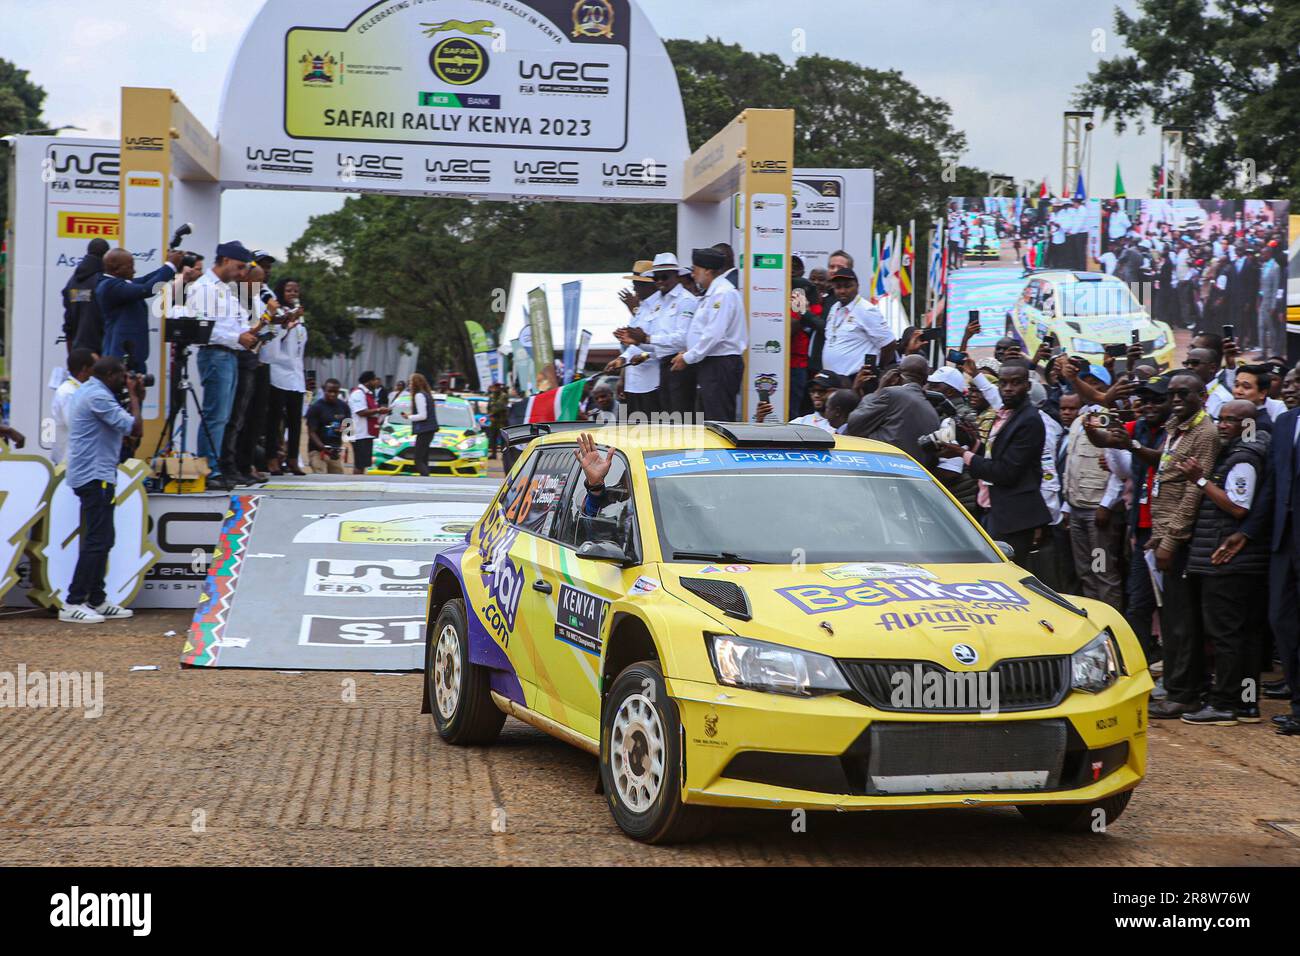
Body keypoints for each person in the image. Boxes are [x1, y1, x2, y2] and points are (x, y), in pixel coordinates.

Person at [1217, 367, 1300, 735]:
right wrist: (1247, 533)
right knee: (1283, 622)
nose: (1291, 389)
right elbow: (1271, 486)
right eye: (1292, 383)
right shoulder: (1285, 424)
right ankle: (1298, 709)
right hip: (1284, 543)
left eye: (1297, 384)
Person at [1180, 400, 1270, 726]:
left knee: (1227, 634)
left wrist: (1200, 481)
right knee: (1243, 634)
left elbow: (1237, 508)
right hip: (1237, 560)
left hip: (1228, 561)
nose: (1223, 425)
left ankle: (1224, 704)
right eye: (1221, 419)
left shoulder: (1244, 457)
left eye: (1233, 420)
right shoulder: (1236, 452)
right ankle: (1246, 704)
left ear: (1249, 424)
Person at [1144, 373, 1220, 718]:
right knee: (1172, 614)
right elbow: (1166, 474)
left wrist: (1171, 540)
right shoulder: (1176, 425)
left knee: (1182, 619)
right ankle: (1176, 686)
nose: (1175, 399)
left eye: (1183, 393)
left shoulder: (1205, 432)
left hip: (1183, 540)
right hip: (1164, 532)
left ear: (1202, 396)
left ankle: (1185, 693)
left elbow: (1193, 490)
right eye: (1171, 393)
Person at [936, 365, 1051, 562]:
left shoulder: (1029, 420)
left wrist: (963, 454)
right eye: (1004, 383)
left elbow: (1005, 472)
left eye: (1015, 383)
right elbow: (993, 459)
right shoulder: (1007, 415)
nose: (1008, 388)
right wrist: (973, 444)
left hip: (1013, 517)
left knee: (1007, 579)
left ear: (1028, 385)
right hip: (992, 510)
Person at [59, 356, 144, 624]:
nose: (124, 380)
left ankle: (96, 598)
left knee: (104, 539)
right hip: (95, 476)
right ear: (109, 375)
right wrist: (135, 396)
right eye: (122, 376)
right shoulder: (98, 396)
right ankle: (73, 602)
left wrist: (132, 395)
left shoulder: (92, 391)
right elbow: (135, 428)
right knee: (97, 540)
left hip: (96, 474)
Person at [187, 241, 260, 488]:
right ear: (225, 260)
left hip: (230, 355)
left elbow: (235, 325)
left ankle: (217, 467)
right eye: (239, 267)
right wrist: (237, 338)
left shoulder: (226, 290)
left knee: (224, 416)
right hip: (215, 354)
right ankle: (209, 470)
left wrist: (248, 336)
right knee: (215, 416)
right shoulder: (204, 288)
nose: (241, 274)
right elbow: (202, 328)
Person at [617, 254, 699, 418]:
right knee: (666, 425)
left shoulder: (686, 300)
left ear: (676, 275)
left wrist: (646, 339)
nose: (660, 281)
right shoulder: (660, 302)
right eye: (656, 277)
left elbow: (682, 339)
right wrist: (636, 343)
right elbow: (653, 339)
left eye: (664, 276)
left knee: (680, 421)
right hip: (663, 365)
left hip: (680, 364)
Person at [671, 248, 745, 421]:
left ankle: (723, 450)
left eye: (695, 270)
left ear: (708, 271)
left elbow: (714, 333)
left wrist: (688, 357)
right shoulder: (713, 293)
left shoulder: (723, 293)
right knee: (708, 419)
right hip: (711, 363)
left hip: (721, 364)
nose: (693, 275)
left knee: (719, 419)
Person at [844, 354, 941, 468]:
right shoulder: (933, 414)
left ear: (896, 374)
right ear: (925, 380)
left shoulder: (890, 394)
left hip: (877, 469)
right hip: (912, 478)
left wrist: (879, 390)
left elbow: (854, 424)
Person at [96, 247, 184, 372]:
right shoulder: (109, 286)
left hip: (131, 358)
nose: (134, 270)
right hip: (120, 361)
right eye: (130, 266)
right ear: (116, 268)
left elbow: (146, 280)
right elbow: (147, 289)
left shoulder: (118, 283)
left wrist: (172, 266)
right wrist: (170, 266)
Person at [819, 269, 893, 386]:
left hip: (855, 380)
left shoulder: (866, 310)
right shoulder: (834, 308)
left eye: (848, 286)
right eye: (838, 287)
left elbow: (889, 344)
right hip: (833, 381)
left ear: (857, 286)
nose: (842, 291)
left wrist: (878, 368)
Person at [265, 278, 308, 474]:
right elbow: (273, 339)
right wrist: (286, 324)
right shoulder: (279, 313)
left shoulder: (299, 316)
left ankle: (293, 459)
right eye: (289, 290)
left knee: (295, 421)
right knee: (275, 420)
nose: (293, 293)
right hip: (279, 372)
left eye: (296, 290)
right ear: (281, 292)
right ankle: (272, 458)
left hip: (296, 374)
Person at [63, 238, 110, 356]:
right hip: (99, 350)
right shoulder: (102, 281)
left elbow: (68, 321)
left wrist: (71, 353)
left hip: (78, 349)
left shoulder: (72, 282)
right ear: (106, 256)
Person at [50, 349, 96, 465]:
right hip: (71, 463)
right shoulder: (69, 393)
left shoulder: (77, 390)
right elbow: (77, 427)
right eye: (95, 367)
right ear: (85, 369)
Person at [348, 371, 389, 474]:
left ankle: (359, 483)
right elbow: (361, 412)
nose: (377, 382)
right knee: (359, 463)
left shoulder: (368, 394)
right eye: (375, 380)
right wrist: (379, 410)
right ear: (368, 382)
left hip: (367, 434)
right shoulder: (358, 393)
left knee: (363, 463)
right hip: (359, 433)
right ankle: (355, 485)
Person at [306, 378, 350, 474]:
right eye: (329, 391)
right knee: (320, 475)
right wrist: (322, 447)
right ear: (324, 390)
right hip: (317, 450)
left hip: (335, 451)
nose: (332, 394)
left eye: (335, 392)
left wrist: (343, 431)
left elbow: (348, 429)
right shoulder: (316, 408)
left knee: (337, 477)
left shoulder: (344, 407)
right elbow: (311, 432)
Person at [405, 372, 439, 477]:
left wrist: (409, 417)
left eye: (411, 382)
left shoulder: (419, 395)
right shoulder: (426, 394)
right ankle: (425, 479)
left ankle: (426, 479)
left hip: (424, 430)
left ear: (415, 383)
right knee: (424, 458)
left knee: (418, 460)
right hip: (429, 429)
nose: (409, 385)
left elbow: (423, 416)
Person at [486, 382, 509, 458]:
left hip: (501, 421)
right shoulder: (491, 396)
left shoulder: (503, 396)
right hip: (493, 421)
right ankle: (493, 454)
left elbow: (501, 407)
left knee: (503, 439)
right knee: (492, 437)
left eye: (497, 387)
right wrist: (489, 414)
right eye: (494, 387)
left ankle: (504, 454)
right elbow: (489, 407)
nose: (495, 389)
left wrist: (491, 413)